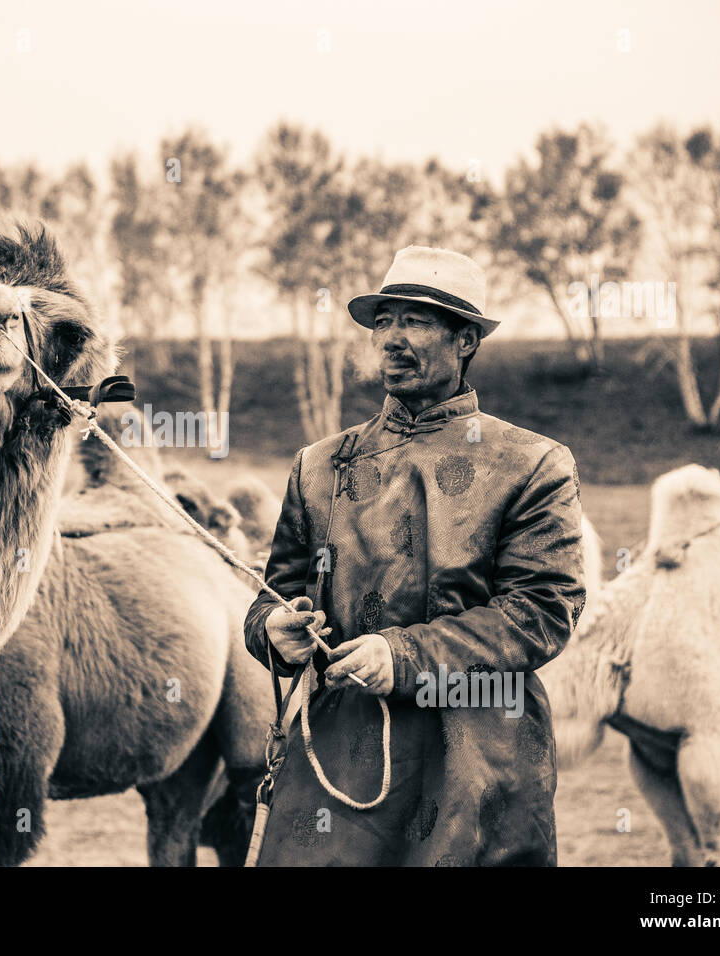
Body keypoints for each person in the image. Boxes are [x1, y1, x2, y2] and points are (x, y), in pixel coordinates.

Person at [243, 245, 587, 866]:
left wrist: (402, 654)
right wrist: (274, 631)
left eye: (416, 321)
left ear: (464, 341)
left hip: (478, 749)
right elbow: (276, 594)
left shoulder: (533, 464)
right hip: (339, 755)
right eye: (383, 322)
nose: (392, 339)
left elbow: (542, 611)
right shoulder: (318, 466)